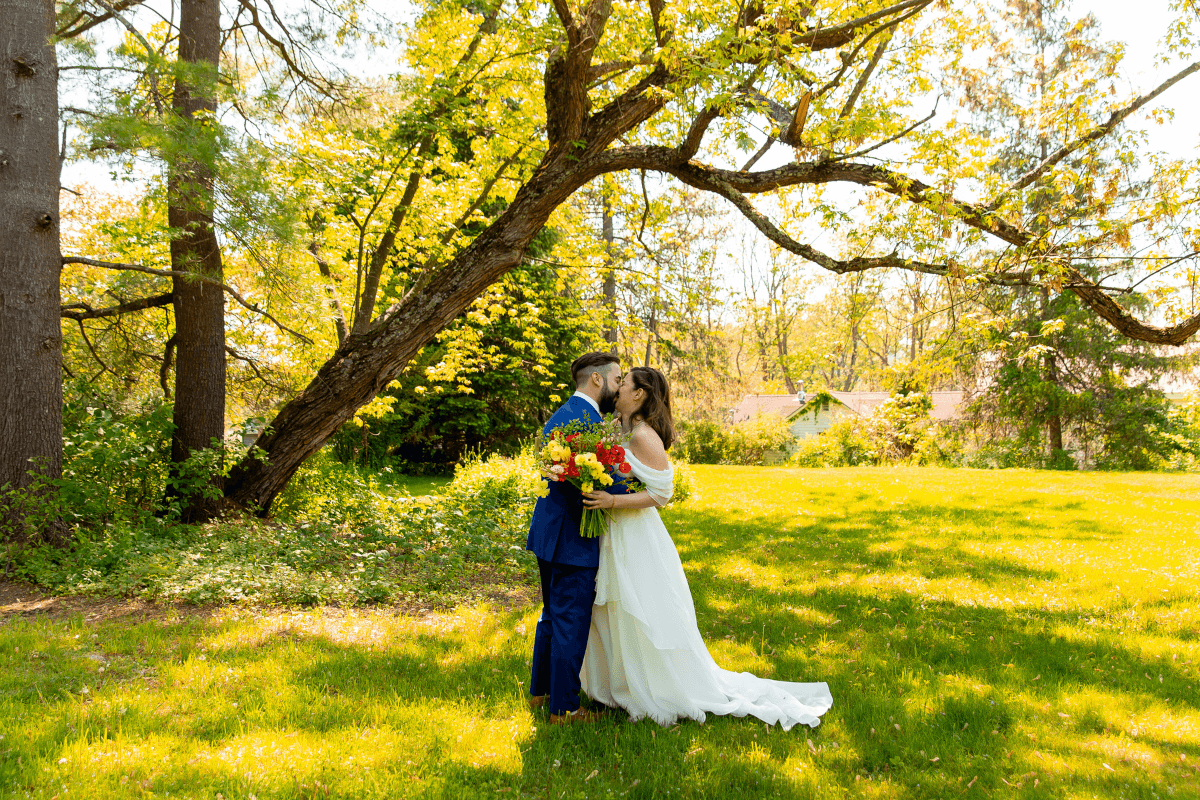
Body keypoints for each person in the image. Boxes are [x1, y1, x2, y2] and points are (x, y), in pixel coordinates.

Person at [579, 366, 834, 729]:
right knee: (617, 608)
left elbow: (662, 494)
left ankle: (654, 686)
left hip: (635, 535)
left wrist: (612, 501)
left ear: (639, 394)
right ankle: (620, 683)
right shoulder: (621, 429)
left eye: (625, 384)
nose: (617, 389)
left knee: (639, 608)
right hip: (614, 532)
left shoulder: (644, 436)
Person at [526, 351, 630, 725]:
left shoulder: (563, 415)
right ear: (597, 379)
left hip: (549, 533)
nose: (619, 387)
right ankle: (565, 709)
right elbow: (606, 482)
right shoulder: (585, 423)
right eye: (617, 379)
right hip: (572, 539)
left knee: (552, 617)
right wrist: (637, 485)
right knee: (570, 621)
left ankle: (542, 693)